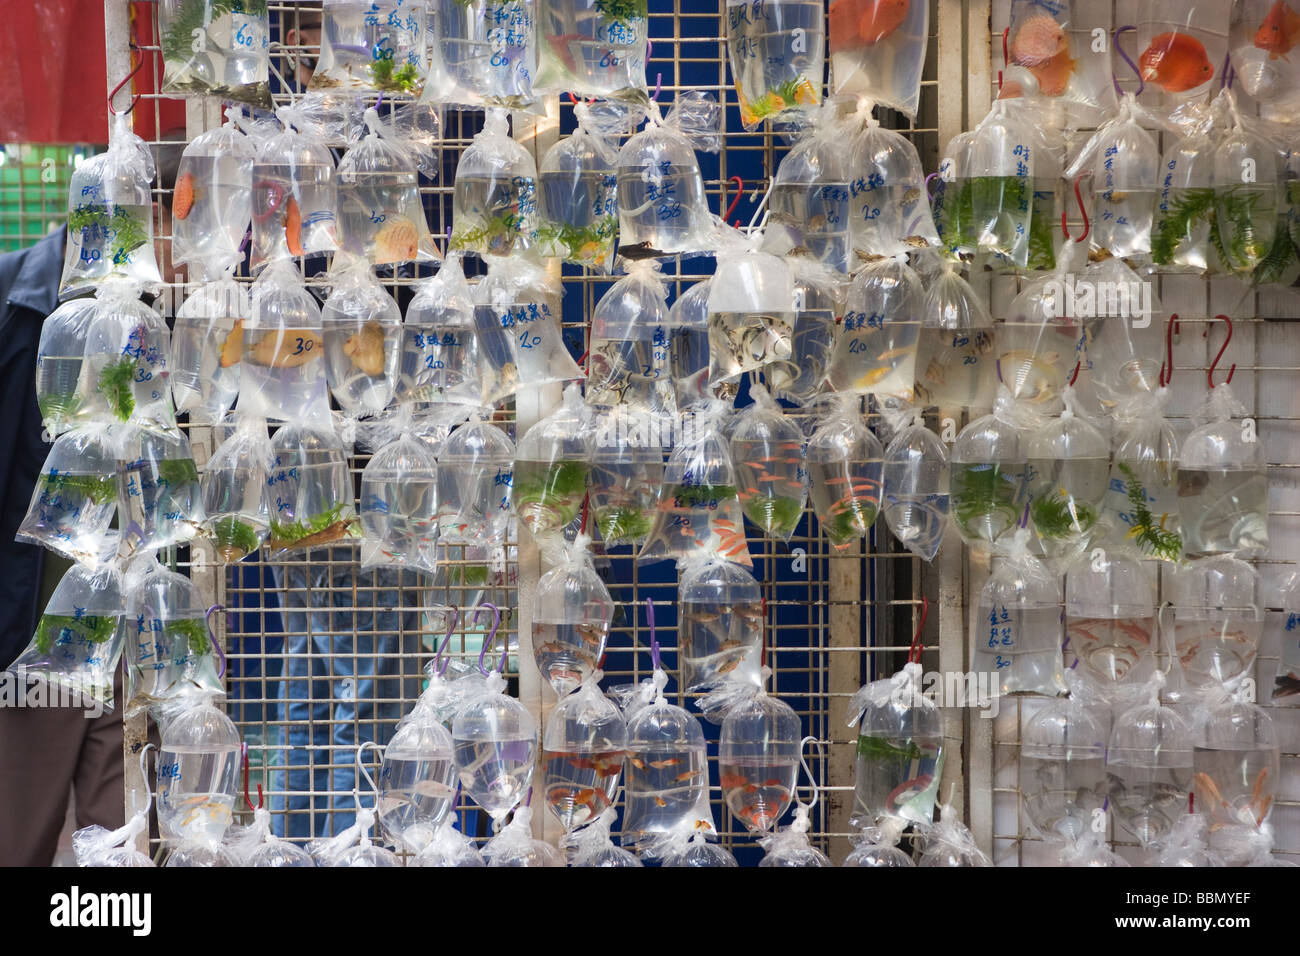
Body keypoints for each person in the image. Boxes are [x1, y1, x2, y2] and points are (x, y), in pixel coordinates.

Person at [0, 132, 184, 865]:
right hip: (36, 639)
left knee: (127, 835)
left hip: (135, 644)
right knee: (22, 830)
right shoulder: (20, 306)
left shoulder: (168, 315)